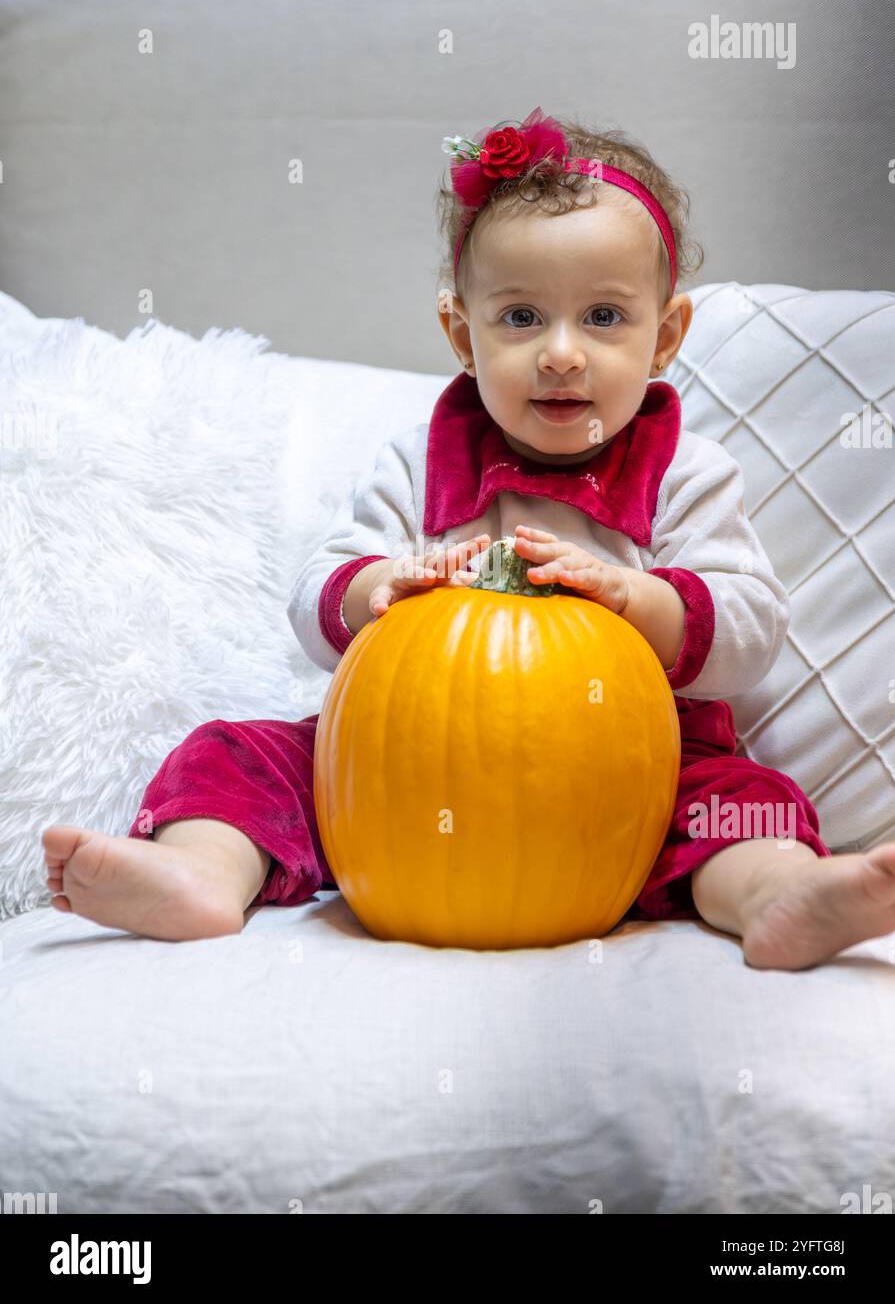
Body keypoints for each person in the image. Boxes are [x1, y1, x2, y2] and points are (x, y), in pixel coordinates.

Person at [41, 107, 895, 967]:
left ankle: (776, 894)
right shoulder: (420, 463)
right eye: (521, 319)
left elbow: (750, 628)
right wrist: (379, 589)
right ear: (462, 334)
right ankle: (199, 872)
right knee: (238, 754)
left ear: (664, 336)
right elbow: (316, 593)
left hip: (631, 773)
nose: (561, 355)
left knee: (739, 802)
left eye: (603, 317)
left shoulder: (684, 469)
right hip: (415, 769)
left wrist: (634, 597)